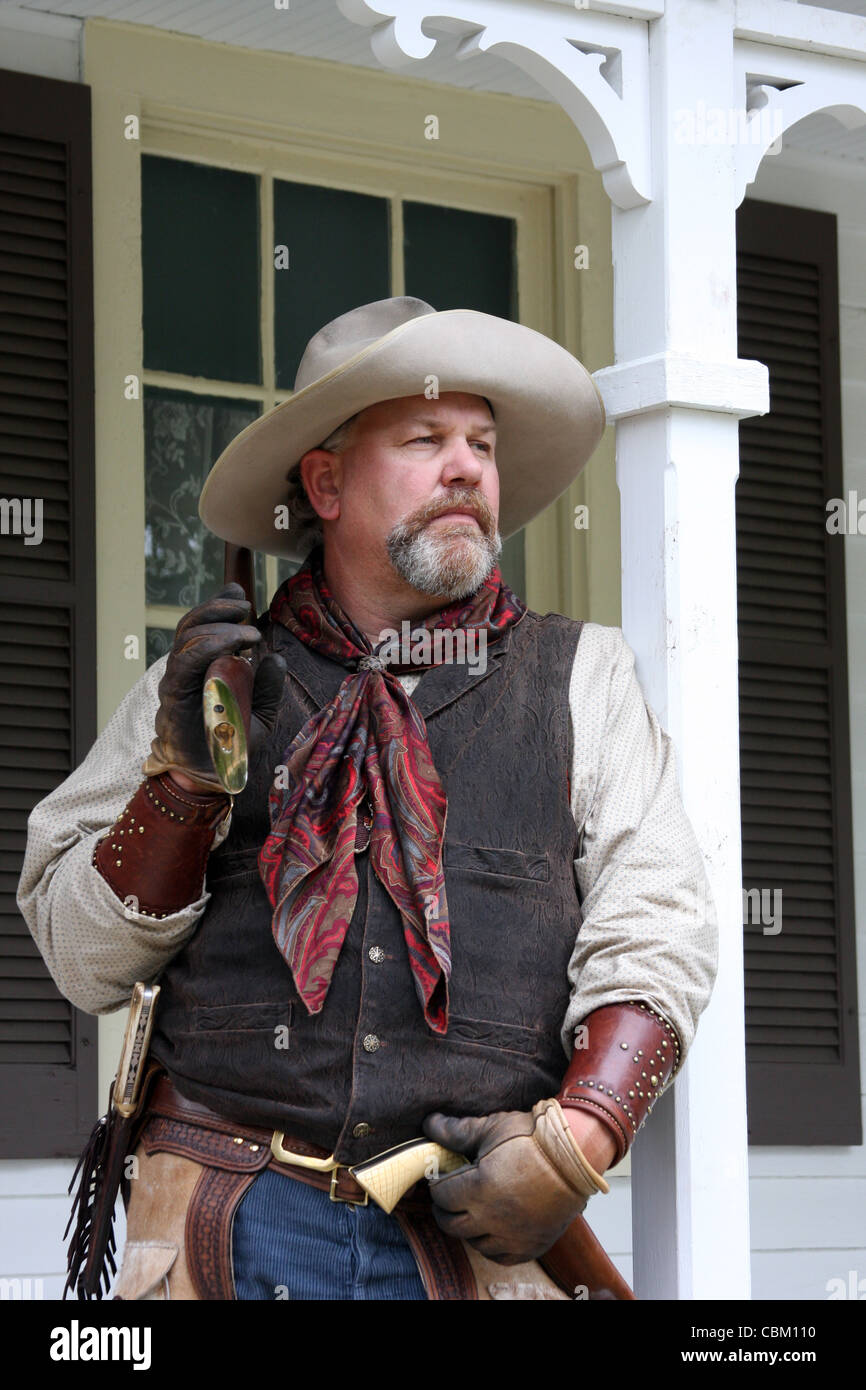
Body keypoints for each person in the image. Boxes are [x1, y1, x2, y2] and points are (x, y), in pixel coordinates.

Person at [18, 296, 717, 1301]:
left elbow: (659, 927)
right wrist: (180, 785)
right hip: (221, 1222)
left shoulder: (584, 678)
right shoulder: (207, 690)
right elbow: (81, 957)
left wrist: (573, 1146)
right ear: (326, 481)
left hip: (478, 1235)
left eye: (480, 442)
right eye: (426, 438)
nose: (468, 466)